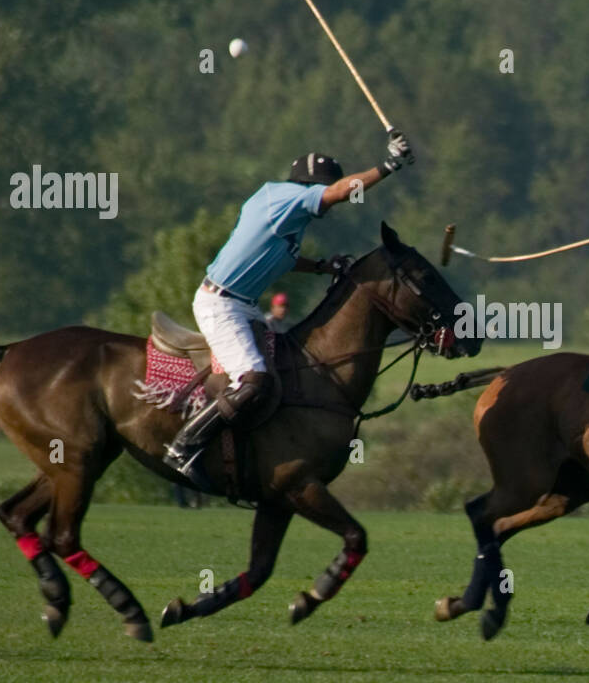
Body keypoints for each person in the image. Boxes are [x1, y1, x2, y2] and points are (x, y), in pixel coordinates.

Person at [163, 132, 414, 483]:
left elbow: (283, 259)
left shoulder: (283, 219)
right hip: (221, 305)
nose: (323, 205)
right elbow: (340, 193)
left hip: (243, 306)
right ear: (309, 186)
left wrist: (324, 266)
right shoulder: (285, 197)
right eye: (322, 190)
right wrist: (388, 165)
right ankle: (183, 447)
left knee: (285, 372)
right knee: (254, 380)